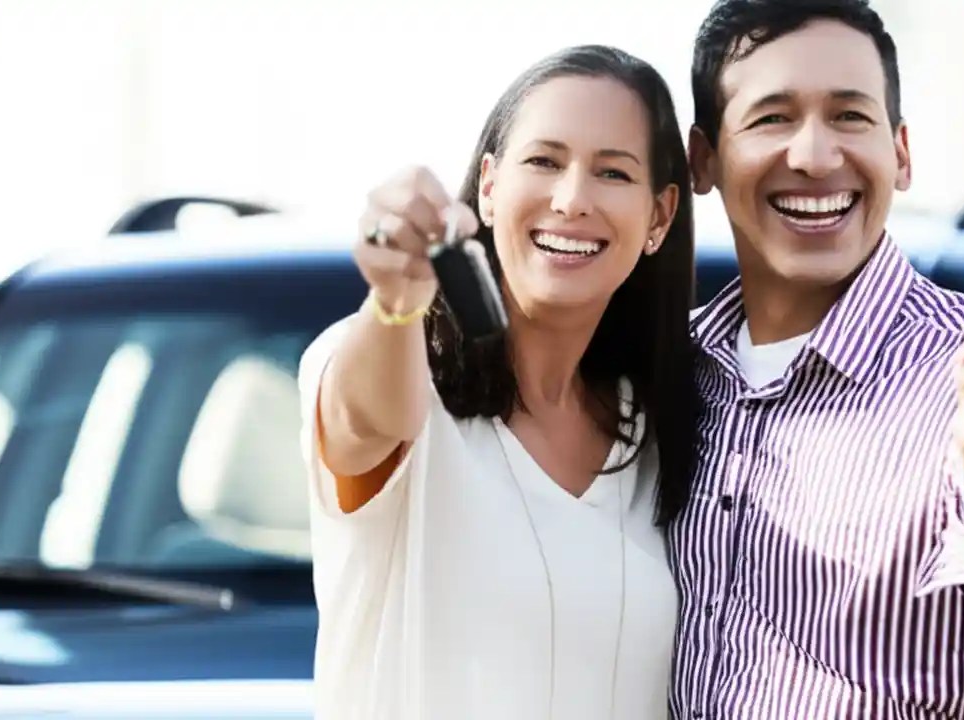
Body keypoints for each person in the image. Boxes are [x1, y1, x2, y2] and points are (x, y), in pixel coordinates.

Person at [670, 1, 964, 718]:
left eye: (849, 117)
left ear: (901, 154)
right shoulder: (669, 375)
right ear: (704, 160)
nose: (813, 155)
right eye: (772, 118)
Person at [297, 45, 697, 719]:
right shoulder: (398, 368)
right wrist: (396, 298)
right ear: (488, 185)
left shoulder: (658, 426)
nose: (572, 199)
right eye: (543, 161)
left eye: (612, 172)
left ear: (658, 217)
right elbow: (369, 418)